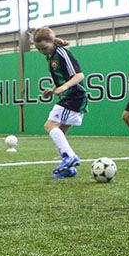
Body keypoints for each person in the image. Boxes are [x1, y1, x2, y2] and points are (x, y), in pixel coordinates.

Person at [31, 26, 87, 178]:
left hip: (75, 96)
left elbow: (79, 76)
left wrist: (64, 87)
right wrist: (53, 89)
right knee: (60, 133)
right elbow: (63, 79)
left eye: (44, 48)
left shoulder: (61, 53)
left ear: (51, 42)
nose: (42, 51)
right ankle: (69, 169)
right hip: (69, 96)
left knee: (49, 125)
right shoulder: (51, 57)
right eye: (39, 49)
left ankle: (70, 157)